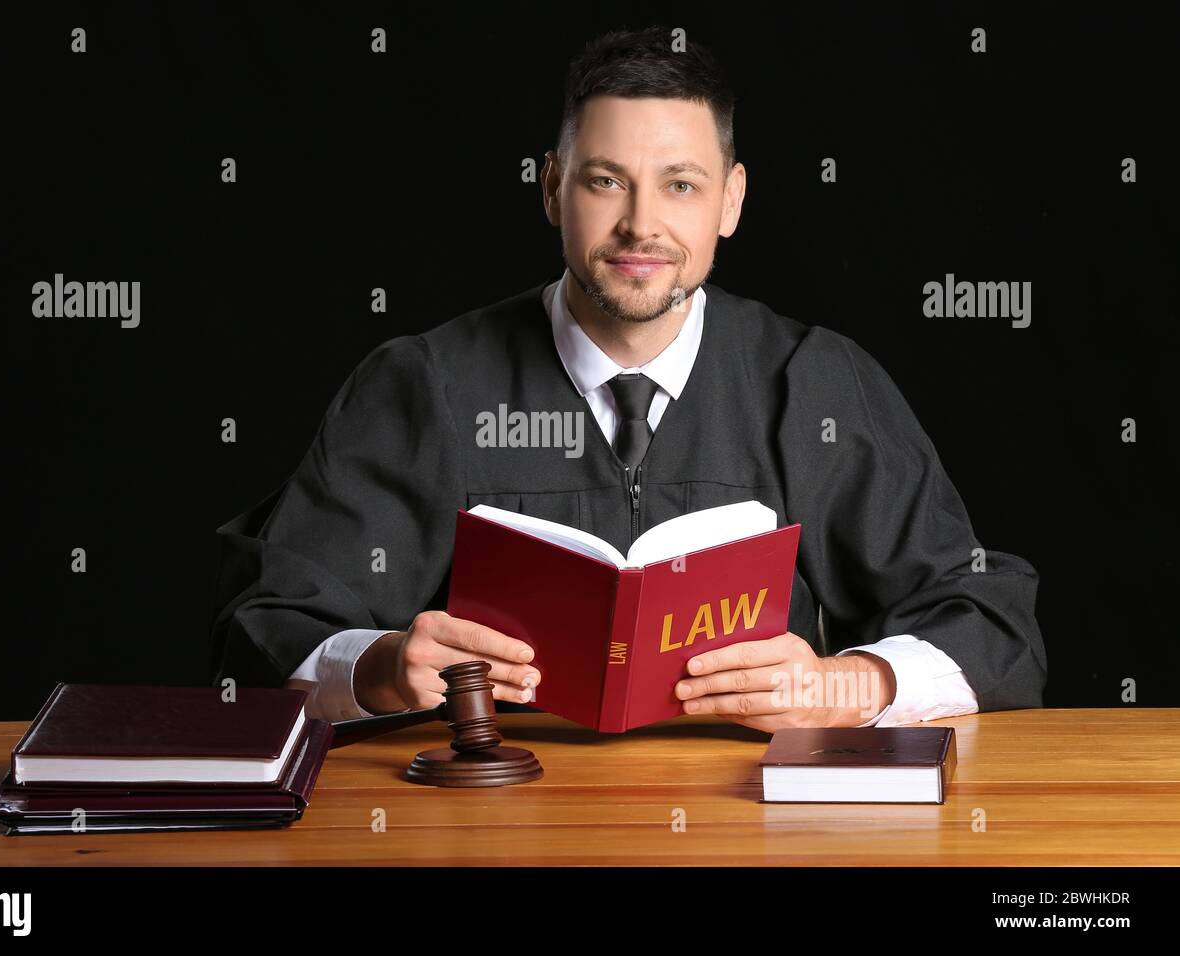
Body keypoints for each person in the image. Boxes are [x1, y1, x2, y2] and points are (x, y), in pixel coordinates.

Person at [209, 26, 1046, 733]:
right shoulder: (424, 386)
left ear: (731, 201)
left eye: (680, 185)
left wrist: (845, 684)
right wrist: (381, 669)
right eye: (606, 180)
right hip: (494, 834)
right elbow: (264, 630)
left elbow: (991, 623)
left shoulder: (815, 384)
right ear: (551, 189)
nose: (642, 225)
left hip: (754, 832)